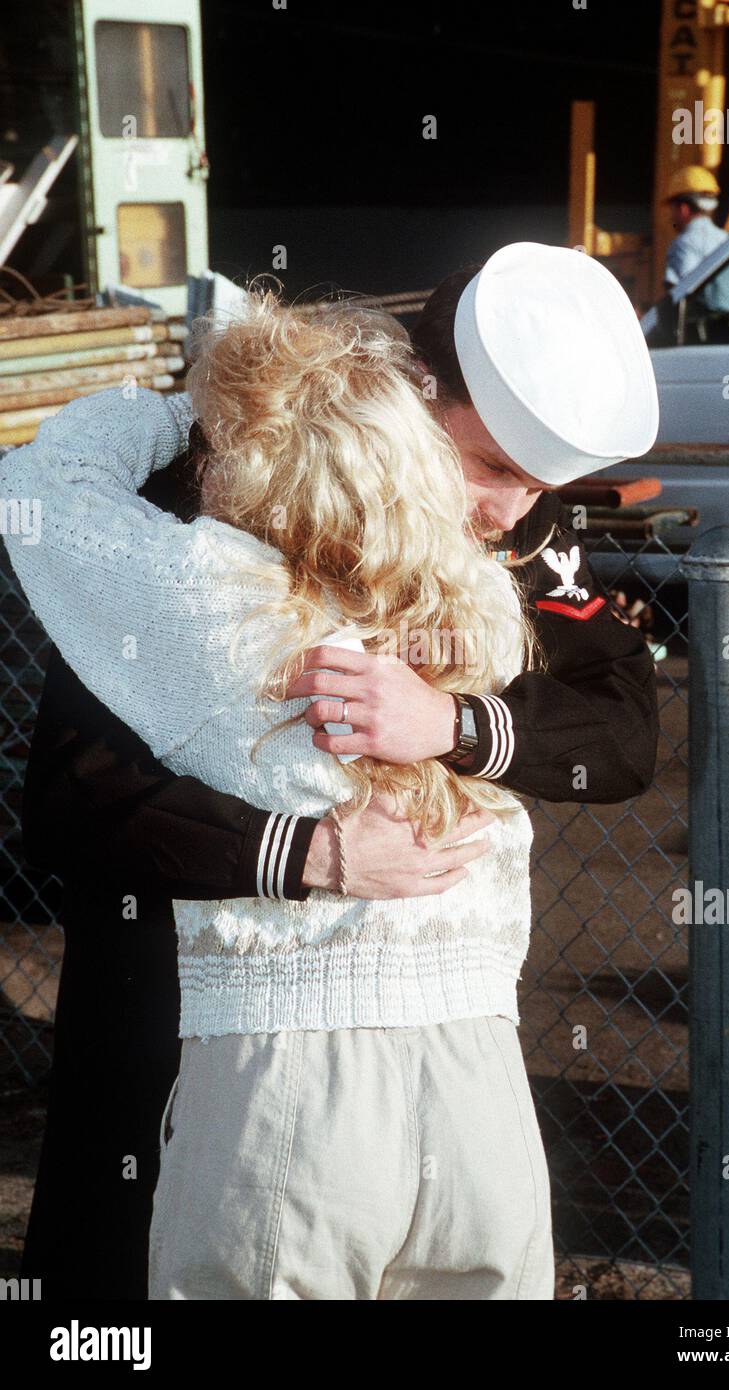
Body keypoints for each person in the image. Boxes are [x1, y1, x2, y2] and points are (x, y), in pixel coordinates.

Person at [9, 243, 660, 1300]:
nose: (513, 511)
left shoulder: (508, 530)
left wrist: (450, 721)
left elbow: (620, 729)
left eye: (546, 484)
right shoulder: (198, 496)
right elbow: (74, 799)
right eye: (494, 467)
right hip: (172, 1012)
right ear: (415, 394)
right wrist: (305, 852)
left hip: (431, 1047)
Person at [664, 165, 729, 314]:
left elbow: (682, 293)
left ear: (683, 209)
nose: (671, 217)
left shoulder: (683, 244)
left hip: (707, 333)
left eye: (672, 210)